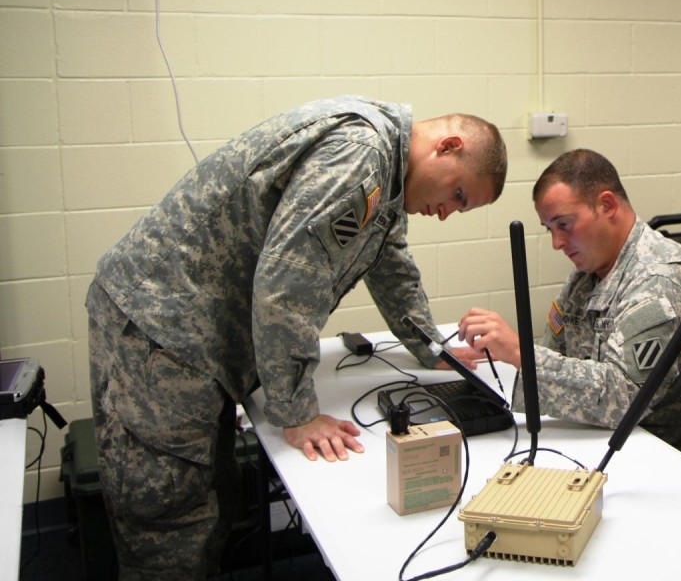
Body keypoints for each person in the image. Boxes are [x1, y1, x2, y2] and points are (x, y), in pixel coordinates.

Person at [87, 95, 507, 580]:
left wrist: (431, 348)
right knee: (170, 522)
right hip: (158, 330)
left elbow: (392, 267)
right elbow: (288, 283)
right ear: (448, 147)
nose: (447, 213)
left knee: (211, 497)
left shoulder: (386, 175)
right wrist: (296, 413)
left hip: (190, 337)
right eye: (458, 195)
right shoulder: (361, 152)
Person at [457, 148, 681, 491]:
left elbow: (622, 400)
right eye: (549, 228)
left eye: (564, 225)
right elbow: (558, 356)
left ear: (607, 205)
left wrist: (521, 354)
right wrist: (500, 364)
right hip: (620, 447)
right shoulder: (591, 271)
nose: (557, 242)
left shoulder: (660, 281)